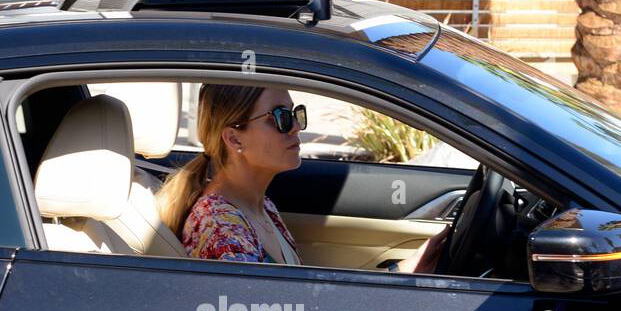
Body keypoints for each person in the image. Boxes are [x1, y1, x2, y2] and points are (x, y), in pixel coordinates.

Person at [157, 84, 450, 271]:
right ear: (234, 139)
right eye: (280, 117)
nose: (296, 127)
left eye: (296, 114)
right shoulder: (220, 227)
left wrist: (401, 274)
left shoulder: (259, 206)